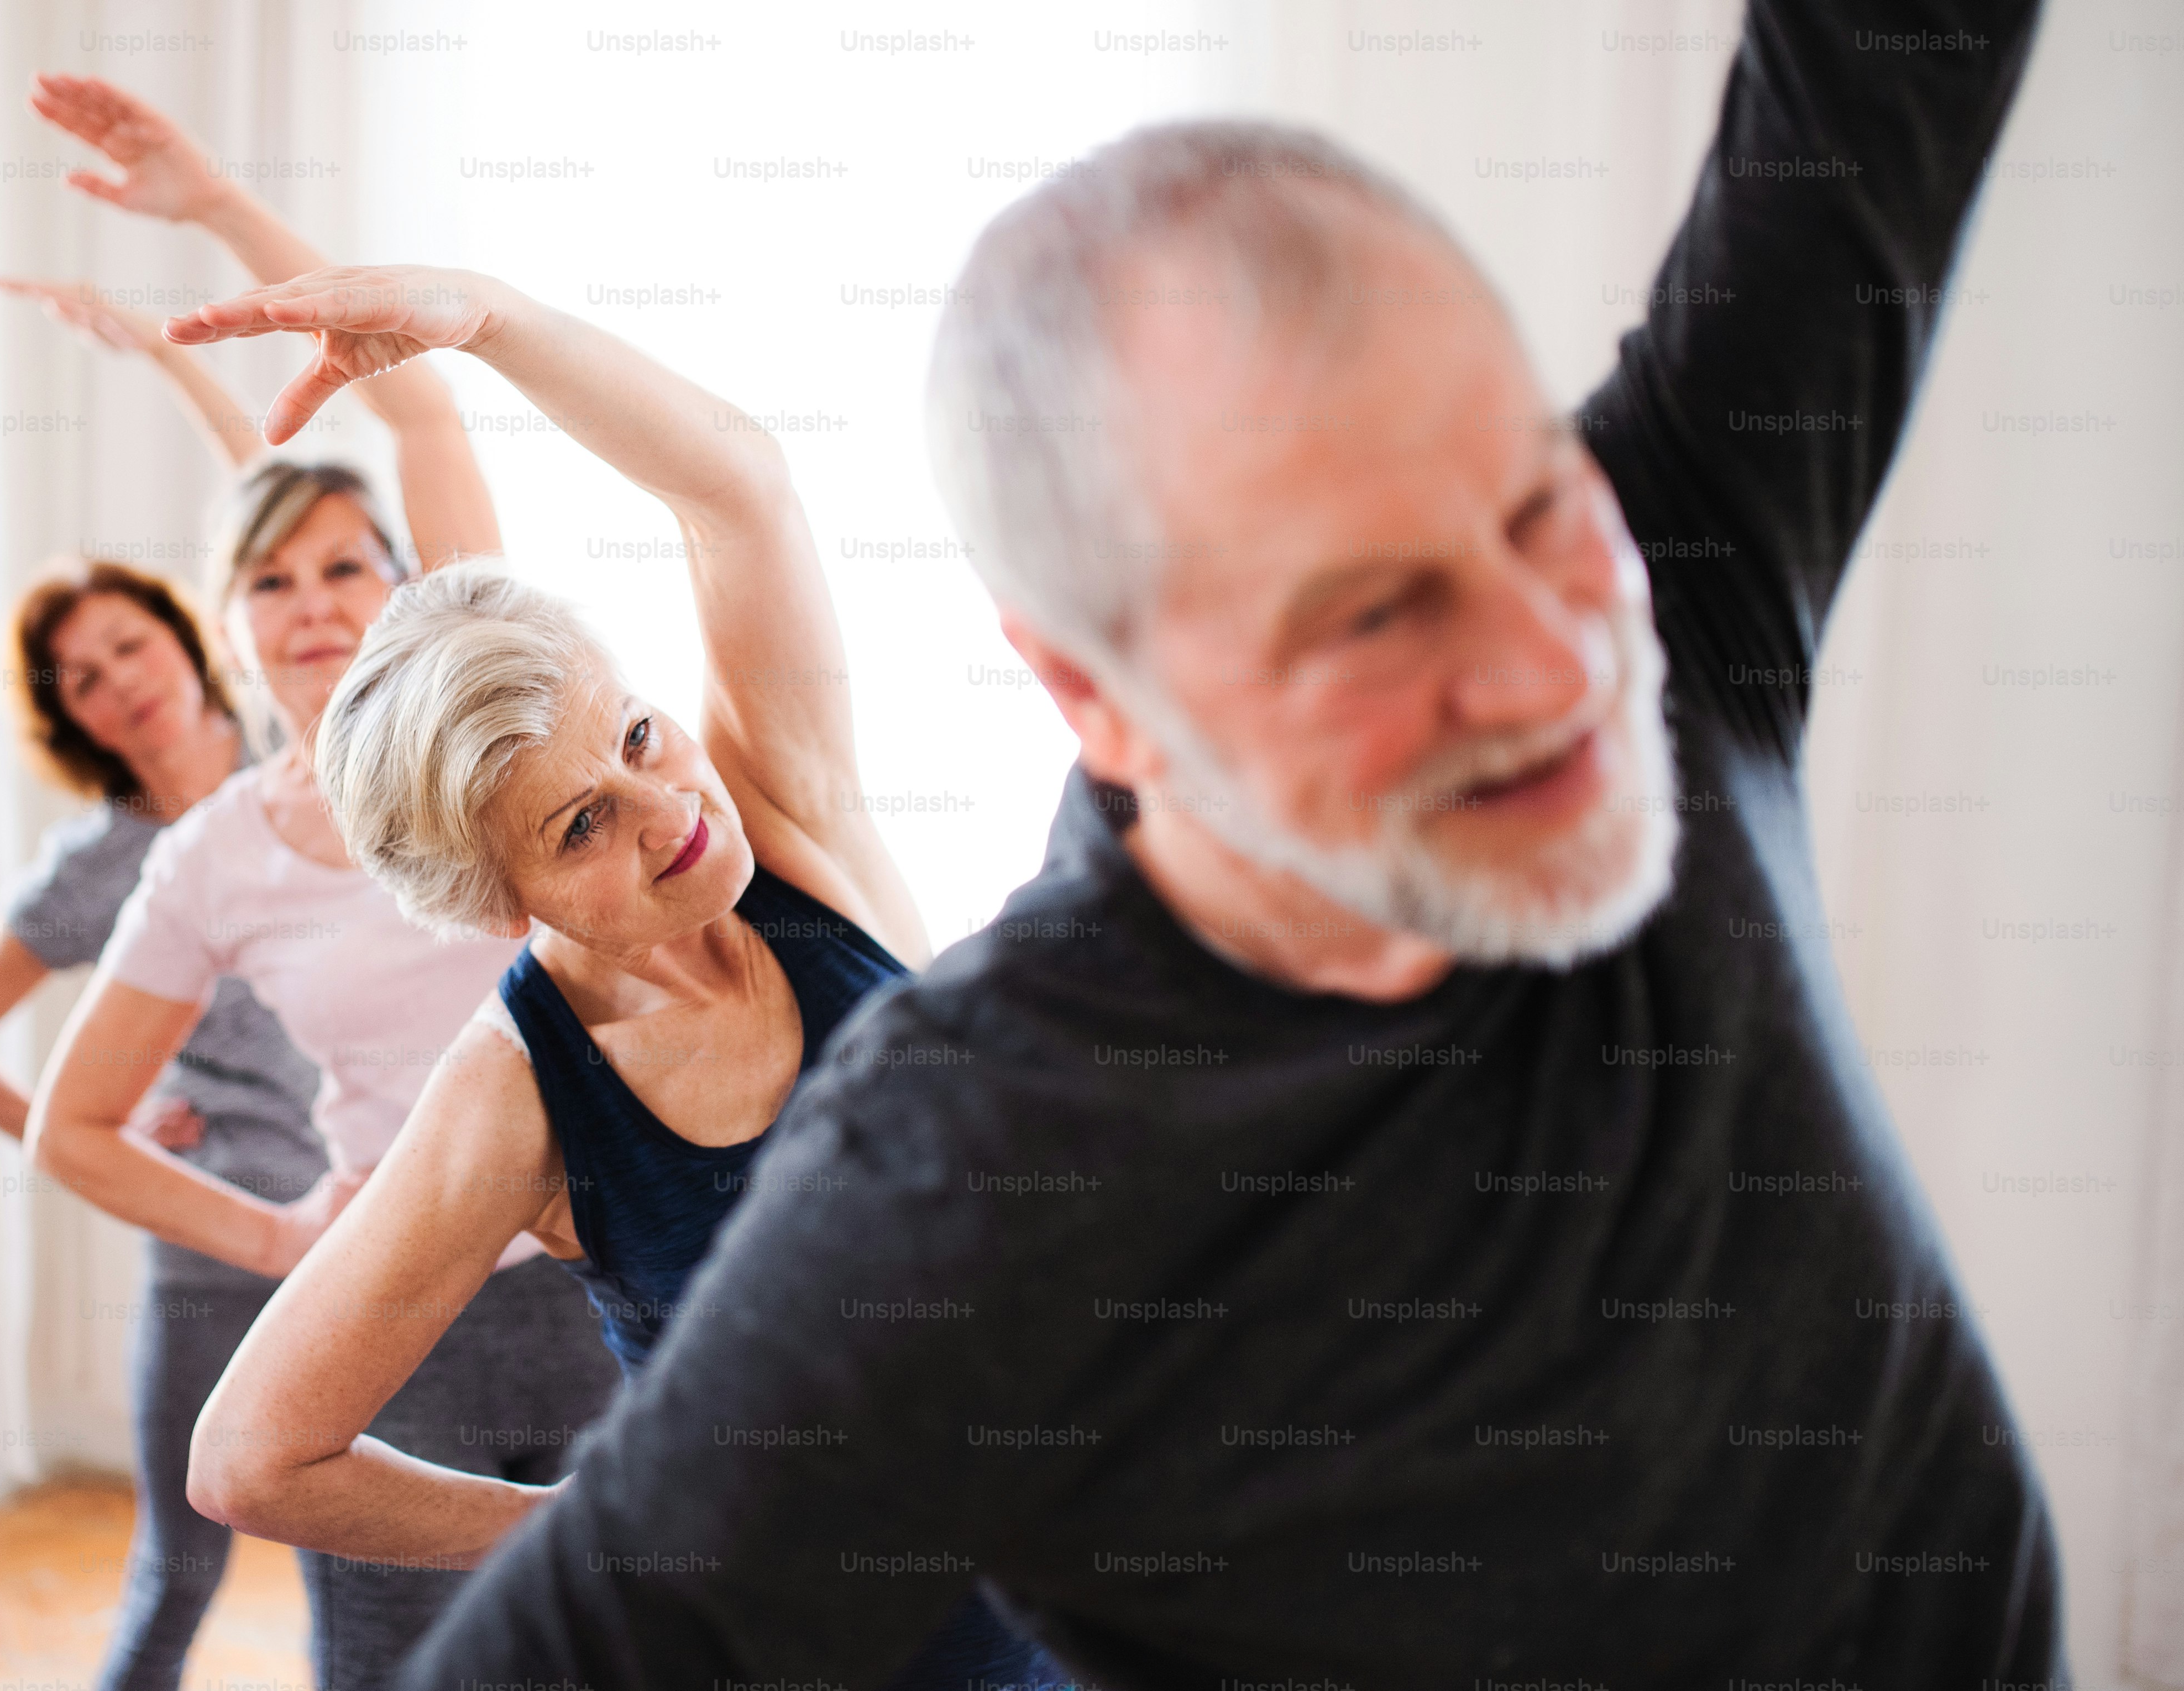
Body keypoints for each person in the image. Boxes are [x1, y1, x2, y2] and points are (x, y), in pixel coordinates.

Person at [385, 0, 2060, 1685]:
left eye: (1537, 502)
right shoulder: (975, 1169)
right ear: (1091, 692)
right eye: (1372, 616)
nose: (1558, 668)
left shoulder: (1673, 567)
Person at [152, 270, 1055, 1690]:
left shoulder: (791, 833)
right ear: (495, 899)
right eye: (580, 825)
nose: (667, 811)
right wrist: (585, 1533)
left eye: (635, 735)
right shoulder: (520, 1096)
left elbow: (739, 486)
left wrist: (492, 323)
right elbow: (250, 1458)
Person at [20, 89, 618, 1691]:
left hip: (600, 1259)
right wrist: (285, 1238)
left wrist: (219, 204)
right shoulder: (207, 852)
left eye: (346, 564)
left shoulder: (483, 731)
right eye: (268, 582)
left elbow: (418, 401)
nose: (310, 602)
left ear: (408, 585)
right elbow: (68, 1123)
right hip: (393, 1297)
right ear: (231, 627)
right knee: (394, 1661)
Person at [0, 271, 322, 1691]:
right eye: (80, 678)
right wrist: (121, 1120)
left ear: (187, 630)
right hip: (214, 1233)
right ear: (69, 718)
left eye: (128, 645)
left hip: (391, 1203)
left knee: (372, 1549)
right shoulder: (96, 865)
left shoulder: (302, 728)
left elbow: (272, 501)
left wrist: (159, 353)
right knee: (182, 1559)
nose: (116, 683)